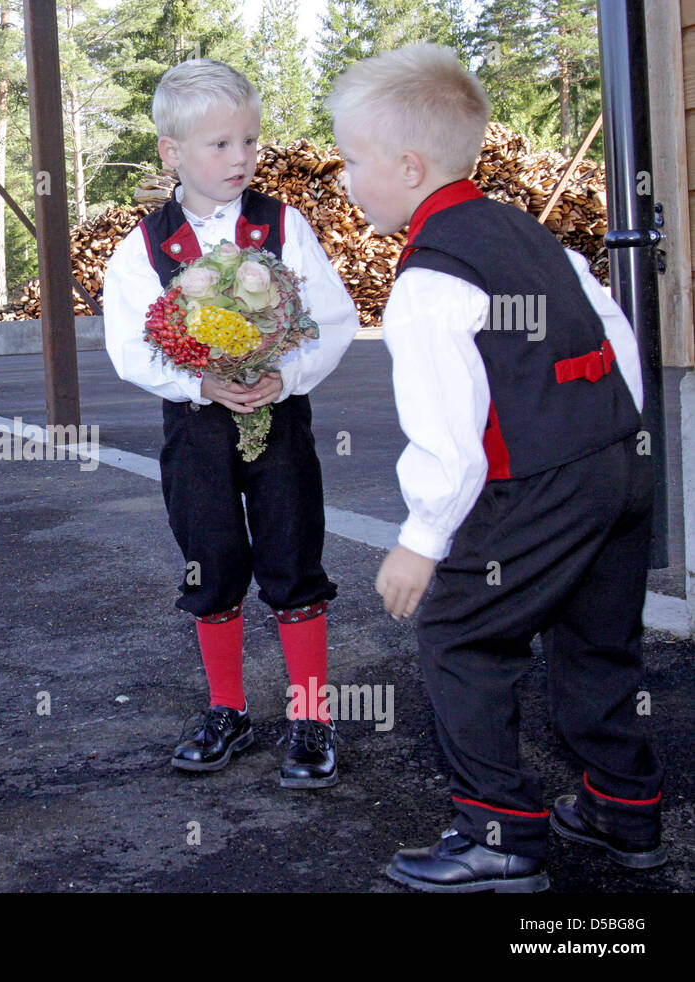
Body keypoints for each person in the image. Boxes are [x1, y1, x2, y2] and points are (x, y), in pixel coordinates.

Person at [327, 44, 663, 892]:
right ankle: (622, 807)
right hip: (614, 463)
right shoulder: (523, 229)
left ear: (408, 166)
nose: (346, 177)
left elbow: (447, 432)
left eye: (353, 160)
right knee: (596, 639)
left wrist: (421, 539)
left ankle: (499, 833)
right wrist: (617, 440)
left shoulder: (430, 275)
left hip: (535, 487)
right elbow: (613, 333)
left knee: (462, 635)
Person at [104, 59, 359, 787]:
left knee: (293, 559)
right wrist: (197, 380)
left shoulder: (283, 226)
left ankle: (311, 716)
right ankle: (228, 709)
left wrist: (289, 373)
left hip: (278, 418)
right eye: (219, 144)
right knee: (210, 562)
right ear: (170, 152)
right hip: (196, 426)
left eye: (249, 139)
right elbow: (128, 347)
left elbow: (333, 321)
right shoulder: (144, 248)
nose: (241, 156)